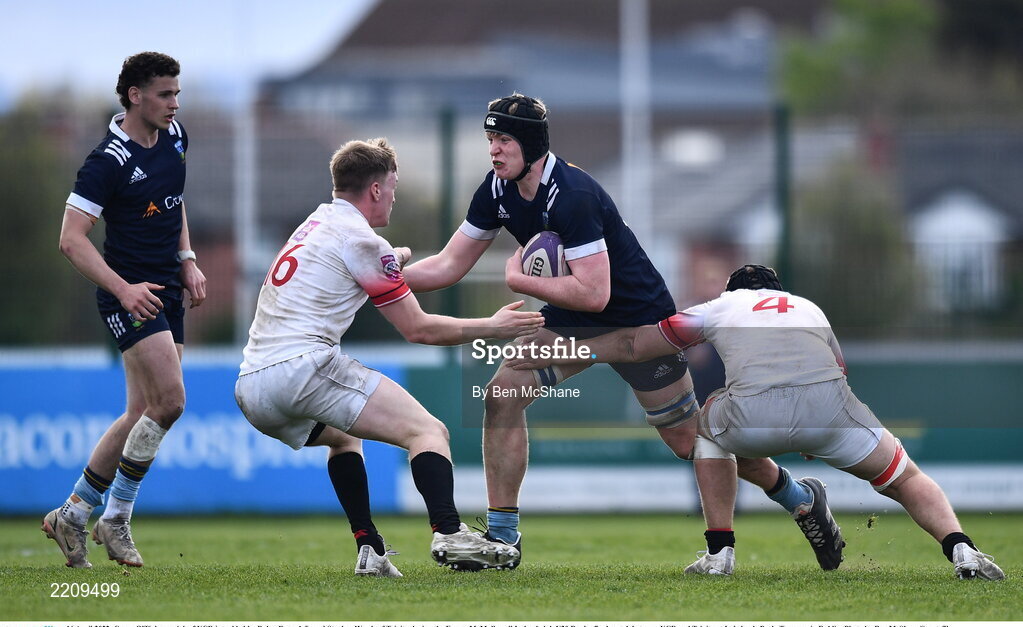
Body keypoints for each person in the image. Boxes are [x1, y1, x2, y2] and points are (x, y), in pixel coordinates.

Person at [402, 93, 814, 569]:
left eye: (505, 140)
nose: (494, 150)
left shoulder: (572, 195)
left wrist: (518, 281)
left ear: (532, 145)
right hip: (572, 325)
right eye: (490, 139)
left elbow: (595, 293)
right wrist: (385, 275)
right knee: (502, 392)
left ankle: (797, 494)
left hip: (639, 325)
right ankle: (503, 539)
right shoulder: (496, 190)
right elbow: (449, 264)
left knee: (690, 441)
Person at [509, 264, 1006, 580]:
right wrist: (816, 432)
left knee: (703, 431)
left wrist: (561, 350)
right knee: (906, 478)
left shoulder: (721, 306)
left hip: (752, 417)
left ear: (733, 291)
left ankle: (720, 552)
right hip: (832, 413)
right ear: (777, 291)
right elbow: (838, 369)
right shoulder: (810, 308)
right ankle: (962, 550)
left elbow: (637, 346)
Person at [234, 138, 541, 576]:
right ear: (376, 189)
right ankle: (449, 532)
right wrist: (494, 326)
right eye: (393, 185)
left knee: (343, 438)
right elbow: (420, 329)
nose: (394, 195)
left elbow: (354, 266)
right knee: (428, 432)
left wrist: (392, 258)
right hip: (302, 368)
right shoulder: (364, 241)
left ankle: (370, 550)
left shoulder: (316, 224)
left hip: (252, 387)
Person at [44, 52, 206, 569]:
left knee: (143, 413)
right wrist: (124, 288)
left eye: (177, 93)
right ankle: (116, 516)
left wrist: (187, 259)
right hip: (128, 294)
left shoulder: (176, 137)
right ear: (135, 95)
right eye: (165, 94)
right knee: (172, 402)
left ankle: (72, 514)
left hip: (167, 290)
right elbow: (71, 240)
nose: (174, 103)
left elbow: (174, 205)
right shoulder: (106, 162)